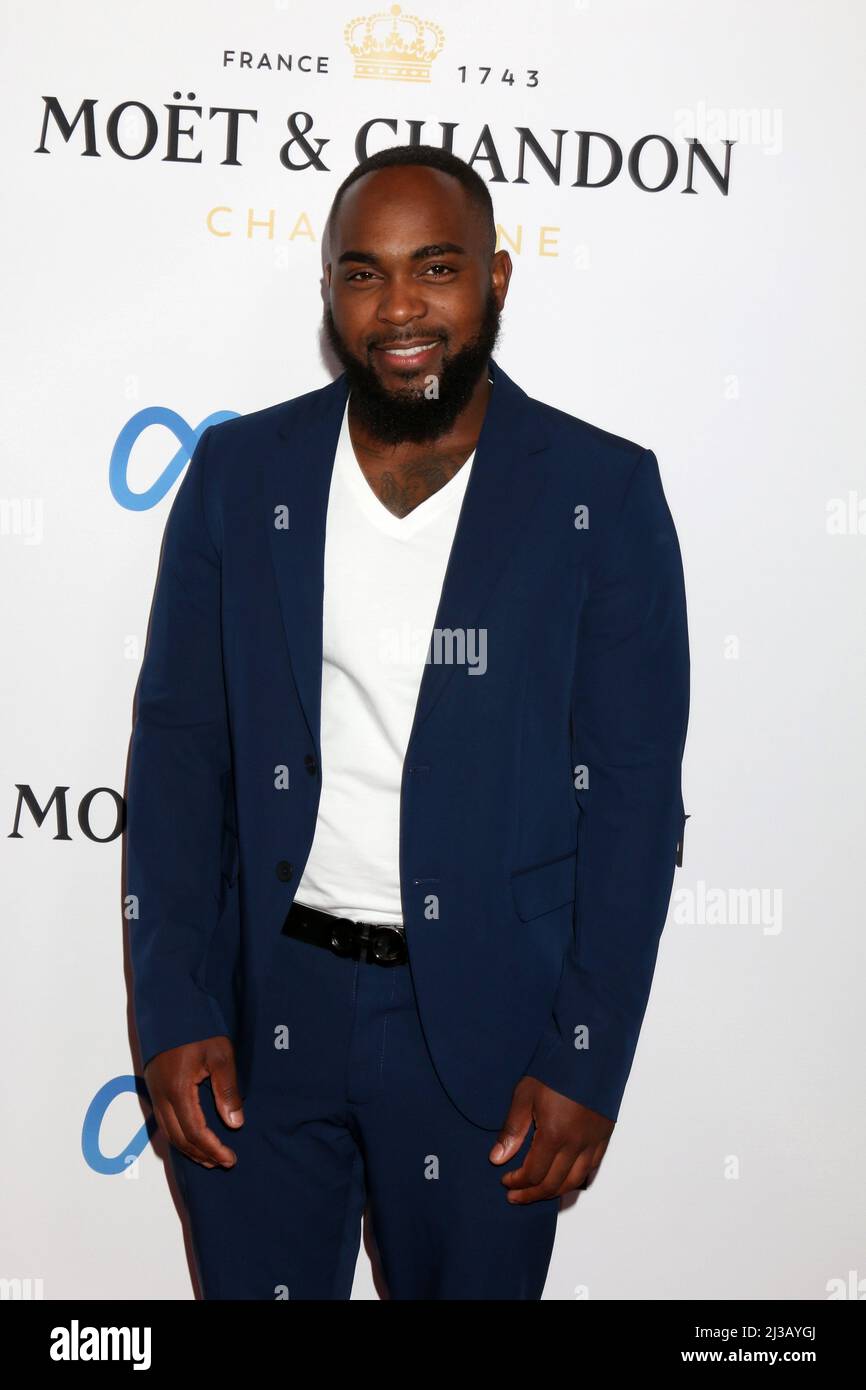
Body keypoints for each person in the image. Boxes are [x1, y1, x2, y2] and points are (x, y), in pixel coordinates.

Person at [125, 143, 690, 1300]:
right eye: (361, 273)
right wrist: (174, 1000)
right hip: (264, 1014)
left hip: (488, 1033)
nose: (398, 309)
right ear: (329, 295)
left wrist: (584, 1054)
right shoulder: (240, 472)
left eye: (433, 267)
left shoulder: (600, 492)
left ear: (495, 277)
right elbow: (180, 751)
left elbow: (632, 804)